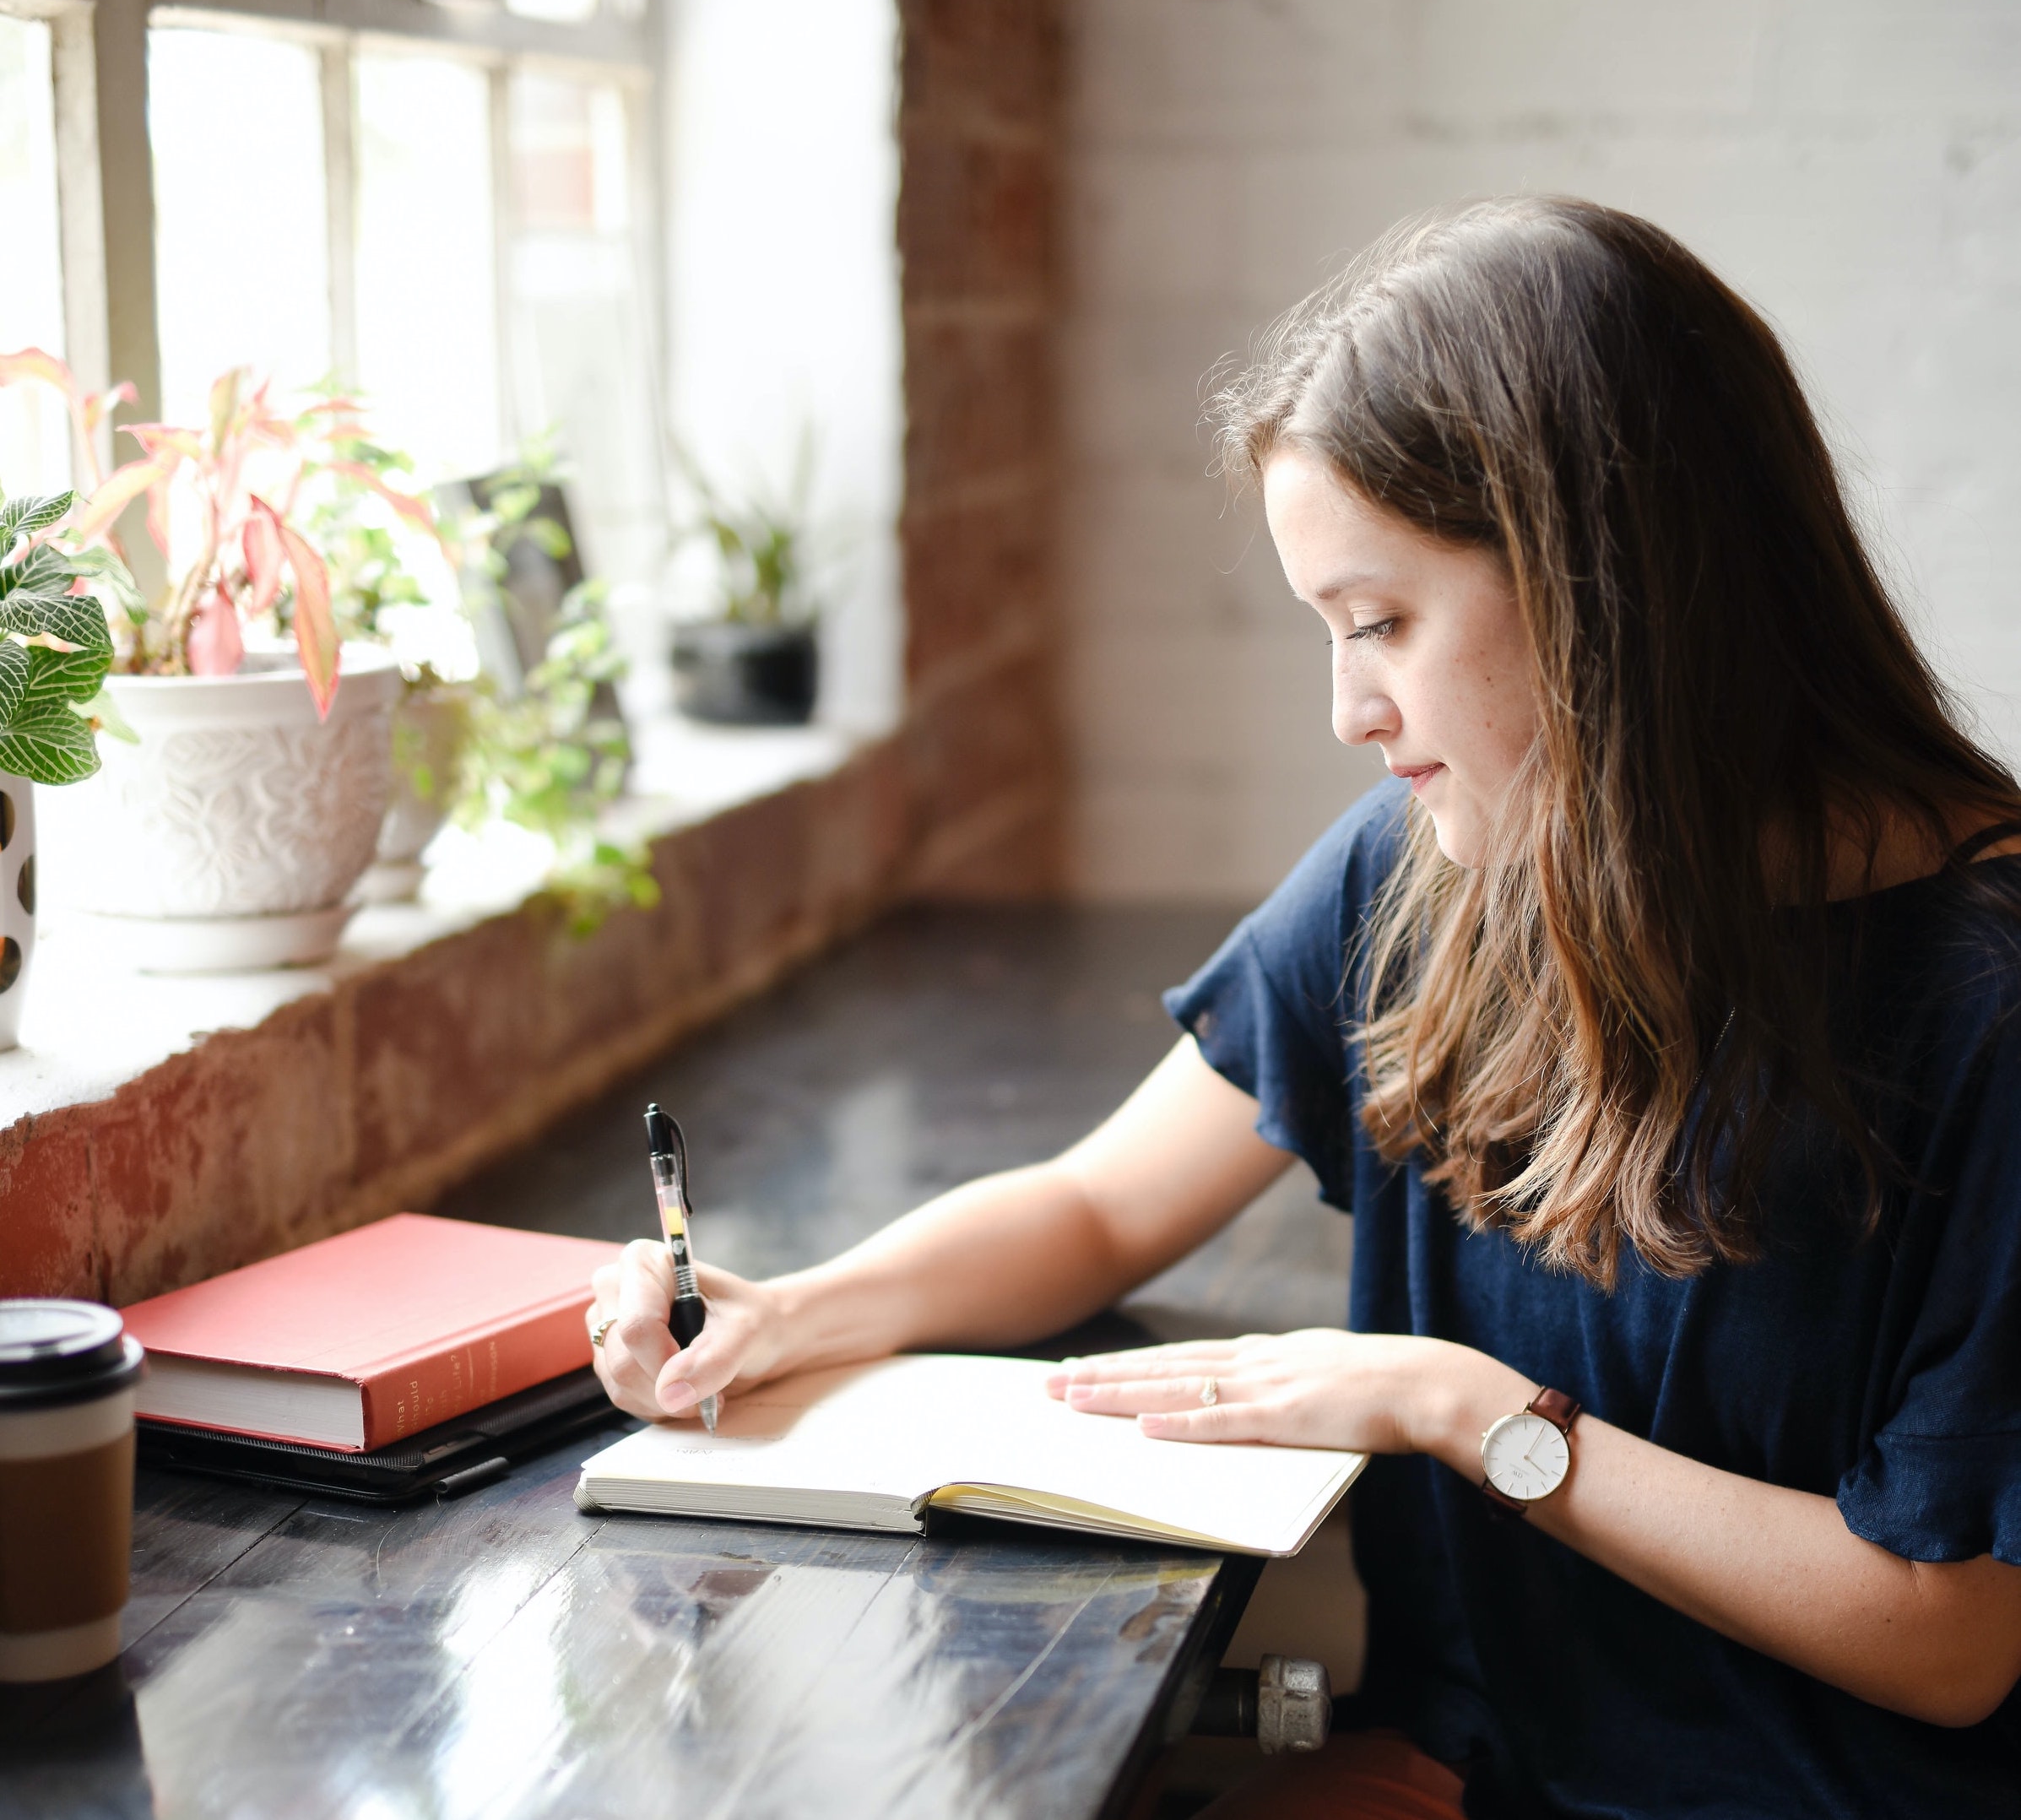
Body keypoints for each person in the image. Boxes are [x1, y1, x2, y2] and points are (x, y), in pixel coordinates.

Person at [588, 198, 2021, 1817]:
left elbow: (1946, 1631)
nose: (1349, 710)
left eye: (1382, 624)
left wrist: (1466, 1410)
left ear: (1605, 584)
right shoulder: (1427, 870)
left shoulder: (1984, 1007)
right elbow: (1096, 1204)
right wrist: (793, 1317)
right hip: (1466, 1775)